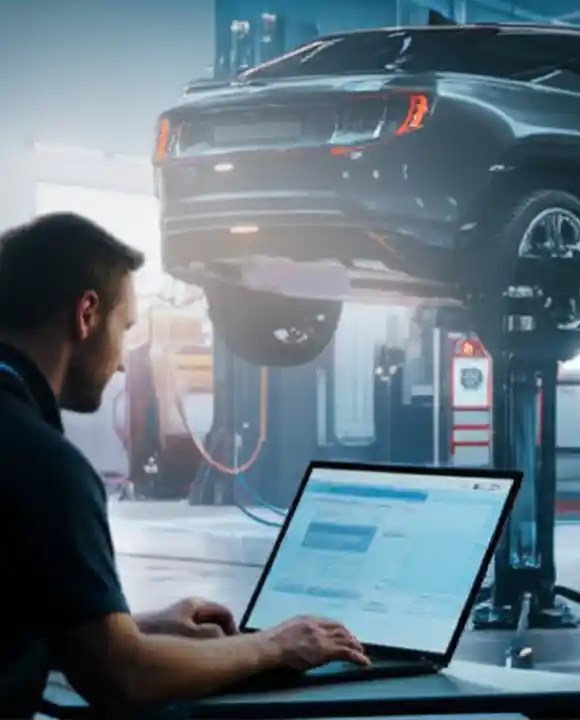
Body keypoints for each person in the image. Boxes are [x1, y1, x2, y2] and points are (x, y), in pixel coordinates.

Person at [0, 213, 370, 718]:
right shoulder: (45, 465)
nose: (126, 361)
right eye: (125, 328)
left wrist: (139, 628)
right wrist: (277, 646)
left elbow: (26, 618)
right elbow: (124, 677)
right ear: (85, 314)